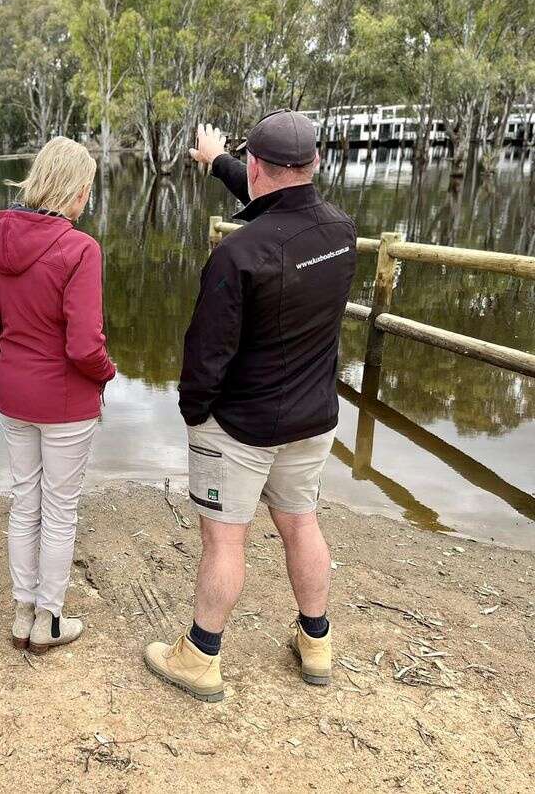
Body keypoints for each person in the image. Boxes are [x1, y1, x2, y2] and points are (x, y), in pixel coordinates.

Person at [143, 110, 357, 701]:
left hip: (240, 425)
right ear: (313, 164)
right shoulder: (341, 231)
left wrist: (195, 413)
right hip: (313, 417)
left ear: (257, 166)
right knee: (301, 524)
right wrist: (216, 163)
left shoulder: (237, 256)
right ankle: (316, 643)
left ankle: (200, 656)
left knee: (225, 540)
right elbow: (283, 203)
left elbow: (206, 355)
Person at [0, 136, 117, 655]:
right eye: (88, 191)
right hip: (66, 401)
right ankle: (48, 620)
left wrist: (18, 355)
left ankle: (21, 612)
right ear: (77, 192)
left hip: (14, 393)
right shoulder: (81, 249)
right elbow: (83, 346)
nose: (87, 201)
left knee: (23, 501)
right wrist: (106, 373)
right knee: (59, 508)